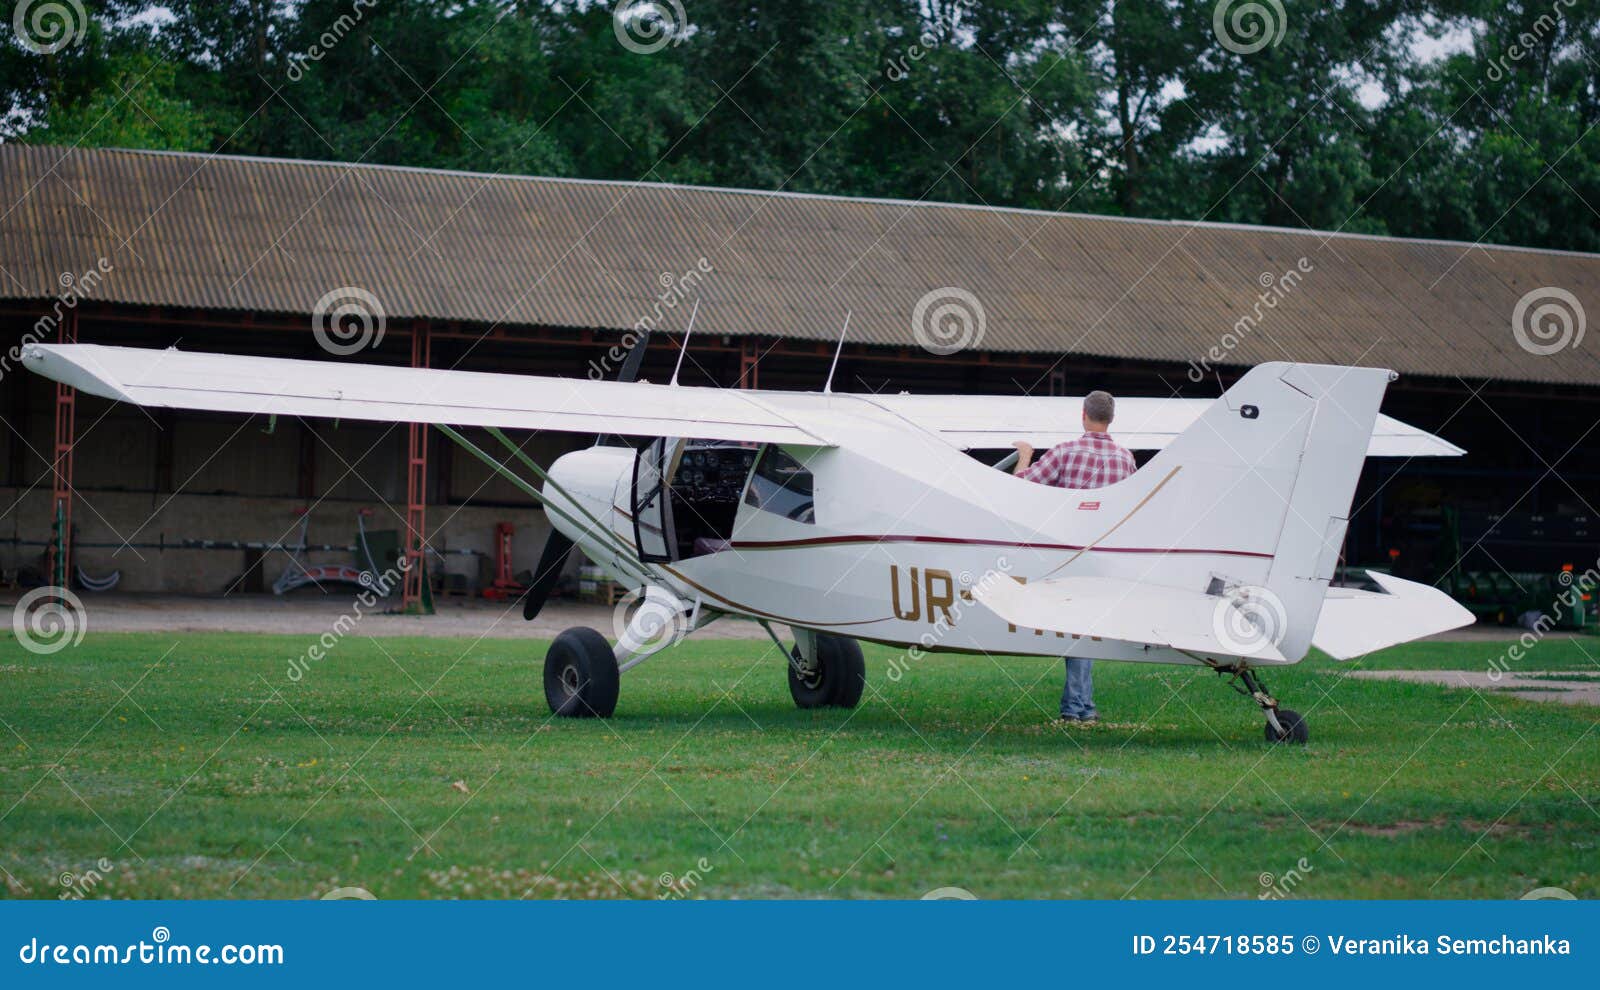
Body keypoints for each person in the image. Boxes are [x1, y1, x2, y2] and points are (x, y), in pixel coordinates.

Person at [1011, 389, 1136, 725]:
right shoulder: (1126, 459)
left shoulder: (1065, 452)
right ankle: (1082, 706)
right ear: (1111, 419)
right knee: (1084, 627)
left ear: (1083, 414)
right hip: (1104, 554)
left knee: (1078, 629)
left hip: (1066, 552)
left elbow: (1023, 487)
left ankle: (1077, 708)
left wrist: (1025, 454)